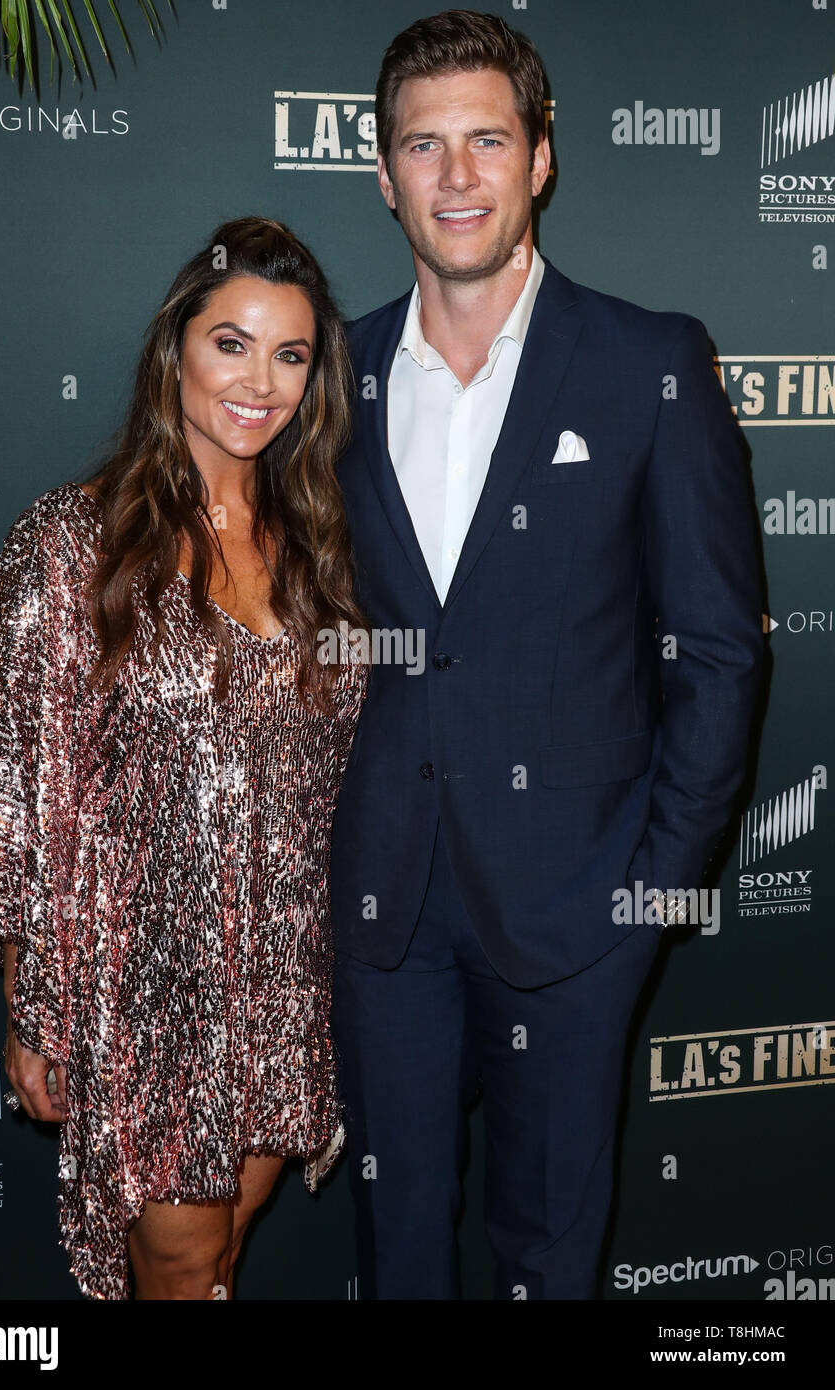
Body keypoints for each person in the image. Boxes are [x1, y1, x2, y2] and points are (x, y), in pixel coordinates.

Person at [329, 11, 764, 1299]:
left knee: (548, 1263)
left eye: (485, 141)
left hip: (580, 909)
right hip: (384, 911)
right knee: (393, 1255)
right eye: (423, 146)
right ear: (382, 170)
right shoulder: (331, 377)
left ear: (541, 158)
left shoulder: (646, 362)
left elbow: (722, 654)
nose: (455, 177)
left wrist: (647, 895)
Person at [0, 216, 367, 1301]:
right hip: (145, 982)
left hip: (285, 970)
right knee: (179, 1261)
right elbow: (16, 791)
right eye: (230, 343)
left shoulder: (323, 549)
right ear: (174, 347)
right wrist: (31, 1003)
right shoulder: (69, 541)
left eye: (290, 354)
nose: (259, 382)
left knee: (225, 1247)